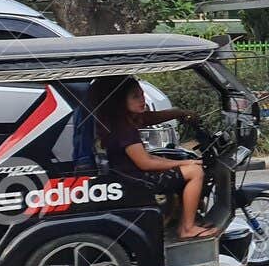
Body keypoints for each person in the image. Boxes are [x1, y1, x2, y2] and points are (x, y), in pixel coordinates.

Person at [90, 77, 213, 239]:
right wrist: (187, 162)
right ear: (119, 101)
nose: (142, 99)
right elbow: (145, 163)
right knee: (195, 172)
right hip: (137, 181)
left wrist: (179, 113)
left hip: (129, 175)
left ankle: (183, 219)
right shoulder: (124, 129)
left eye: (142, 94)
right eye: (135, 96)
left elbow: (150, 118)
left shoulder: (122, 120)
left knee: (175, 160)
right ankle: (187, 228)